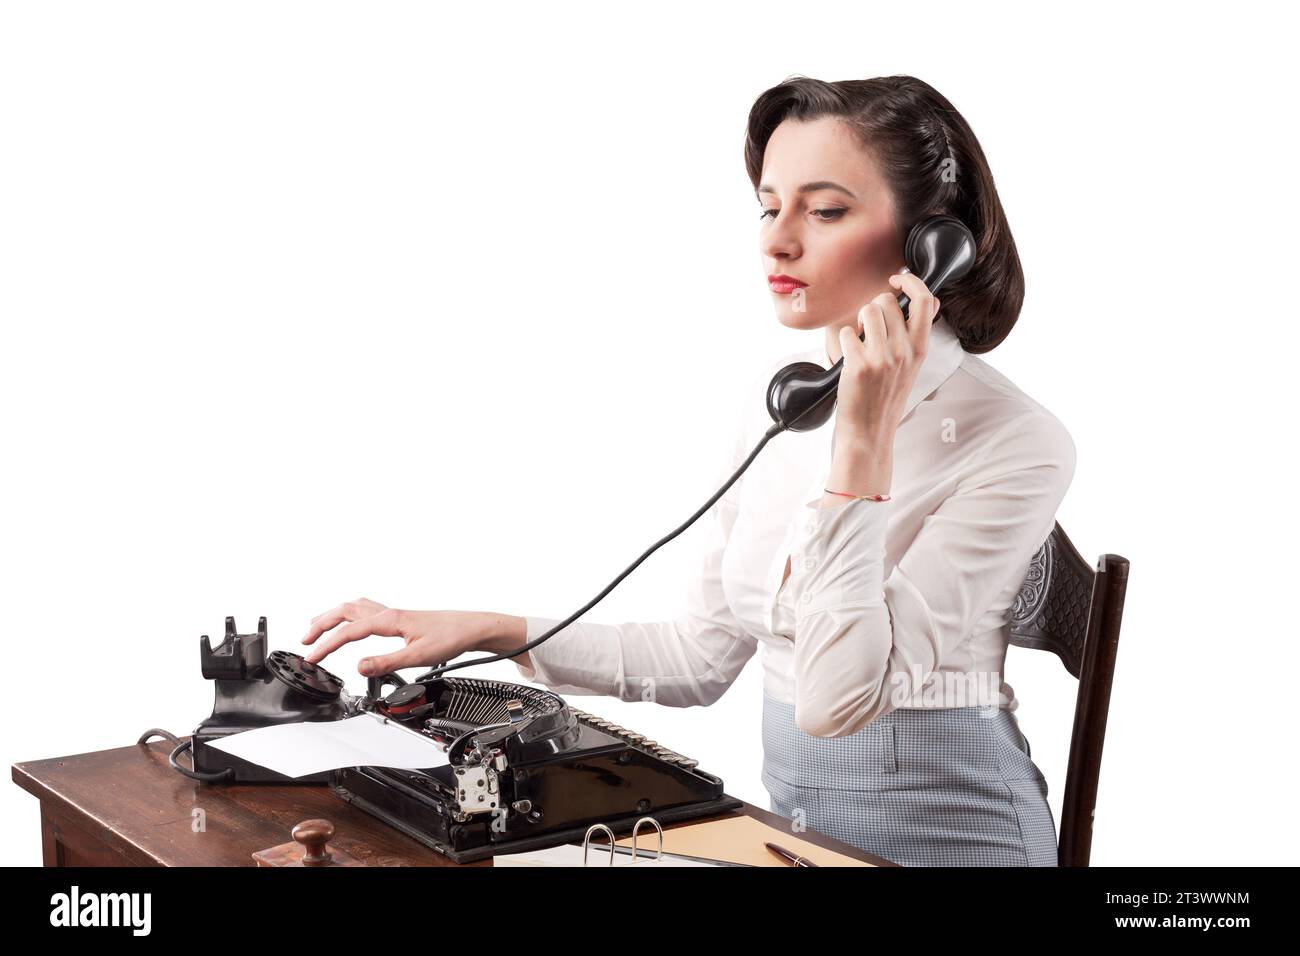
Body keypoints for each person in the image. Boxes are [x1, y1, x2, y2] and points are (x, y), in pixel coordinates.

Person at [300, 75, 1074, 867]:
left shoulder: (1018, 441)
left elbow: (836, 701)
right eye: (770, 206)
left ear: (928, 245)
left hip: (955, 848)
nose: (777, 240)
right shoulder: (785, 405)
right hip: (801, 846)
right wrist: (498, 631)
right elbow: (699, 662)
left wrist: (861, 444)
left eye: (826, 209)